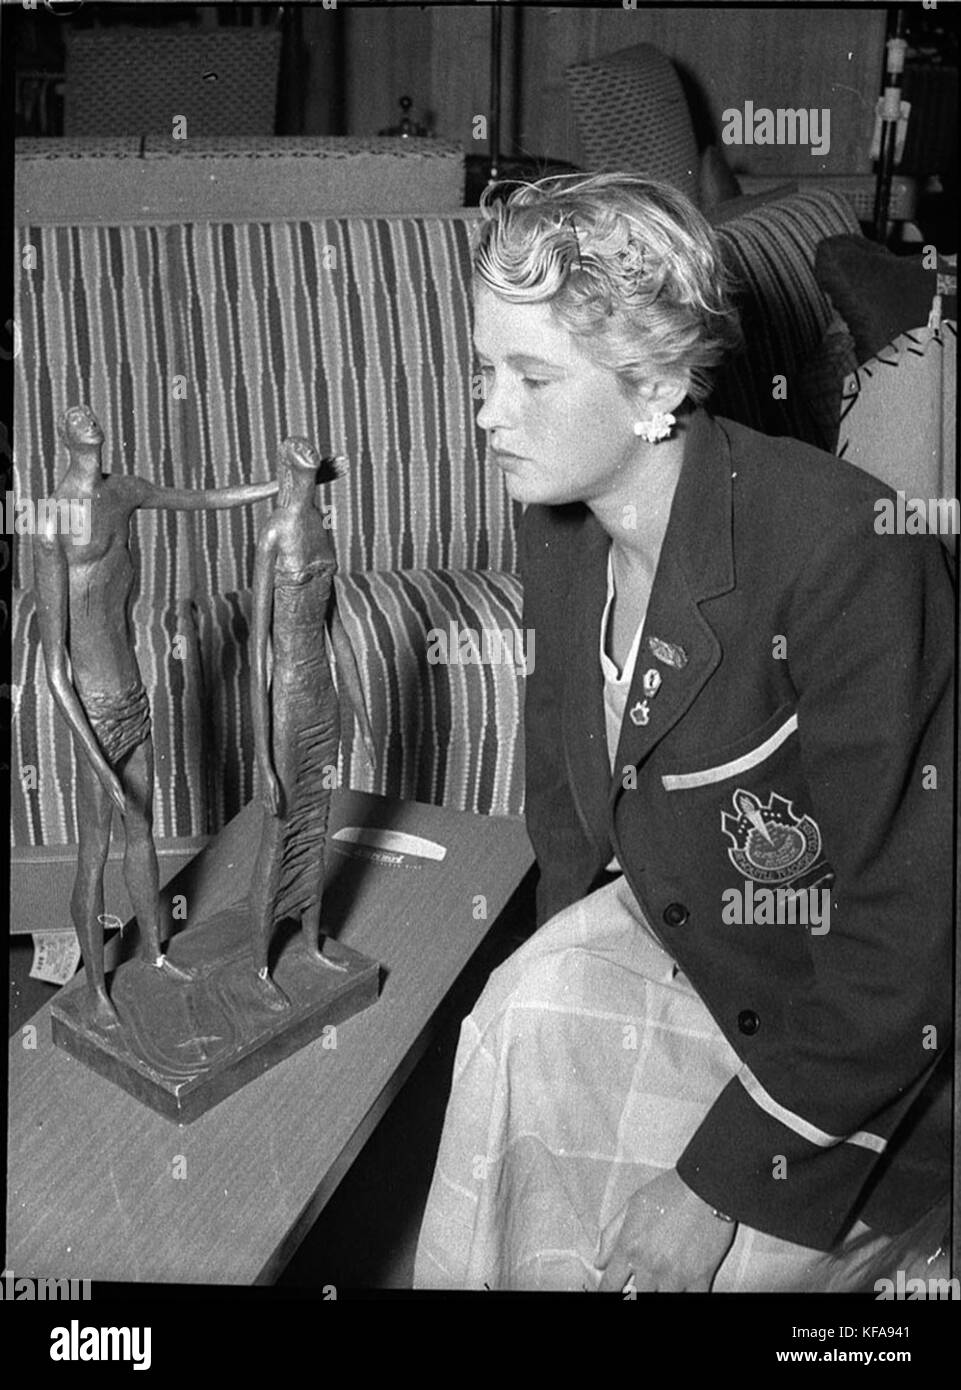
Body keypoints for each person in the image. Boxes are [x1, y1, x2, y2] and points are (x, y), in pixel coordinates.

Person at [414, 174, 954, 1292]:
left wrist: (711, 1181)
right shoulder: (561, 527)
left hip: (881, 1056)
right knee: (517, 1016)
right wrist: (556, 983)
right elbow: (567, 821)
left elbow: (910, 939)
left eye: (529, 377)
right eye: (482, 369)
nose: (485, 414)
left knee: (693, 1263)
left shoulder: (849, 549)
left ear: (656, 383)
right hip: (706, 949)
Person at [34, 404, 279, 1032]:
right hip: (90, 707)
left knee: (142, 829)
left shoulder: (127, 491)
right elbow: (55, 667)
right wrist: (94, 757)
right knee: (94, 852)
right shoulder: (50, 517)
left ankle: (155, 954)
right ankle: (96, 990)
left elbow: (201, 499)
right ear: (62, 436)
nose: (86, 414)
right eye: (74, 414)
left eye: (90, 411)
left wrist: (283, 487)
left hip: (133, 696)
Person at [249, 437, 375, 1010]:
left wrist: (362, 711)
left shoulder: (322, 529)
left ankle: (309, 940)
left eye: (310, 447)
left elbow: (339, 632)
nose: (303, 442)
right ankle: (258, 965)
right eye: (294, 445)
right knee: (280, 829)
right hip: (287, 700)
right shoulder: (274, 533)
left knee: (316, 821)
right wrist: (263, 757)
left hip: (321, 693)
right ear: (285, 463)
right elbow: (256, 654)